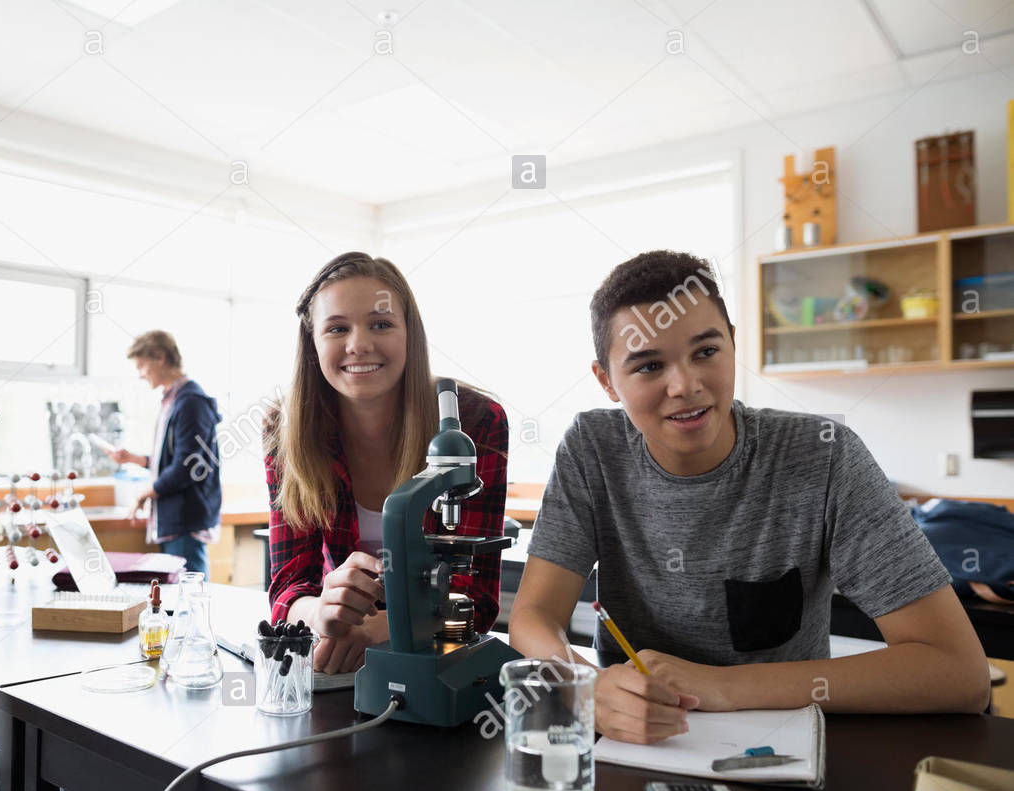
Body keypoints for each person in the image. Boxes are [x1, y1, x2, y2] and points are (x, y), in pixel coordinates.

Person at [509, 250, 990, 744]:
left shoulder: (824, 456)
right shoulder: (592, 448)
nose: (686, 386)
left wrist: (719, 686)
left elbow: (960, 673)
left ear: (733, 344)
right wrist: (584, 686)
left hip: (782, 753)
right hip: (634, 749)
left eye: (706, 352)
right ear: (607, 381)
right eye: (649, 366)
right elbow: (533, 617)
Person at [264, 252, 509, 675]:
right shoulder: (284, 428)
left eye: (381, 324)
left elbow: (478, 601)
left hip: (437, 659)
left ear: (410, 335)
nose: (358, 344)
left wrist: (385, 627)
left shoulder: (475, 421)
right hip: (340, 654)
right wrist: (323, 613)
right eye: (337, 328)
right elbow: (289, 587)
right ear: (313, 343)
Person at [114, 330, 221, 579]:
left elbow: (186, 467)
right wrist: (135, 459)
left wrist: (145, 493)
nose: (141, 373)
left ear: (160, 358)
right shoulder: (174, 400)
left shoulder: (190, 402)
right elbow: (176, 460)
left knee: (189, 598)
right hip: (176, 519)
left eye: (142, 365)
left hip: (185, 520)